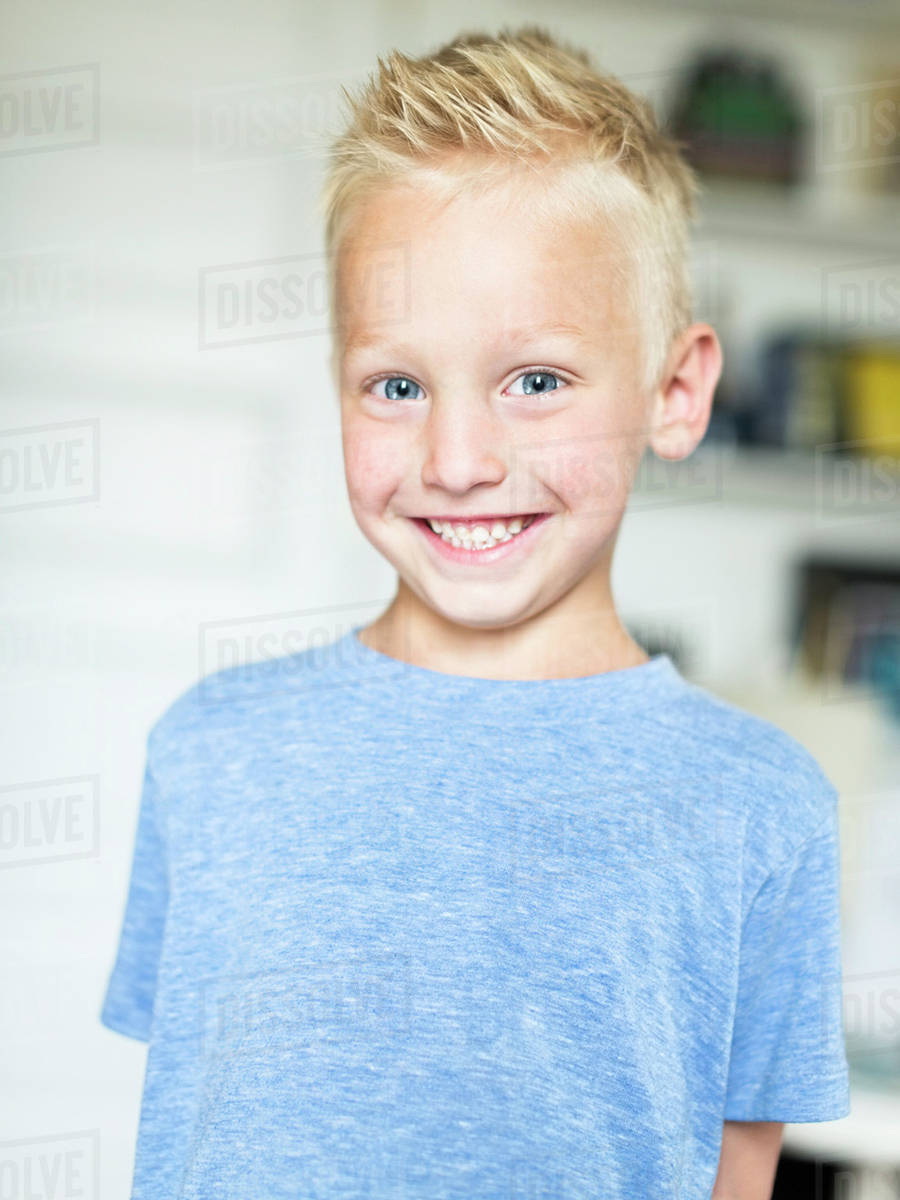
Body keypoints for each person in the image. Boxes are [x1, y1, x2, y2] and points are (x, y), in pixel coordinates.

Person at [100, 25, 850, 1199]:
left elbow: (735, 1176)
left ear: (675, 392)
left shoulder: (758, 807)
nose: (456, 460)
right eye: (396, 385)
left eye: (536, 382)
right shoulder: (210, 751)